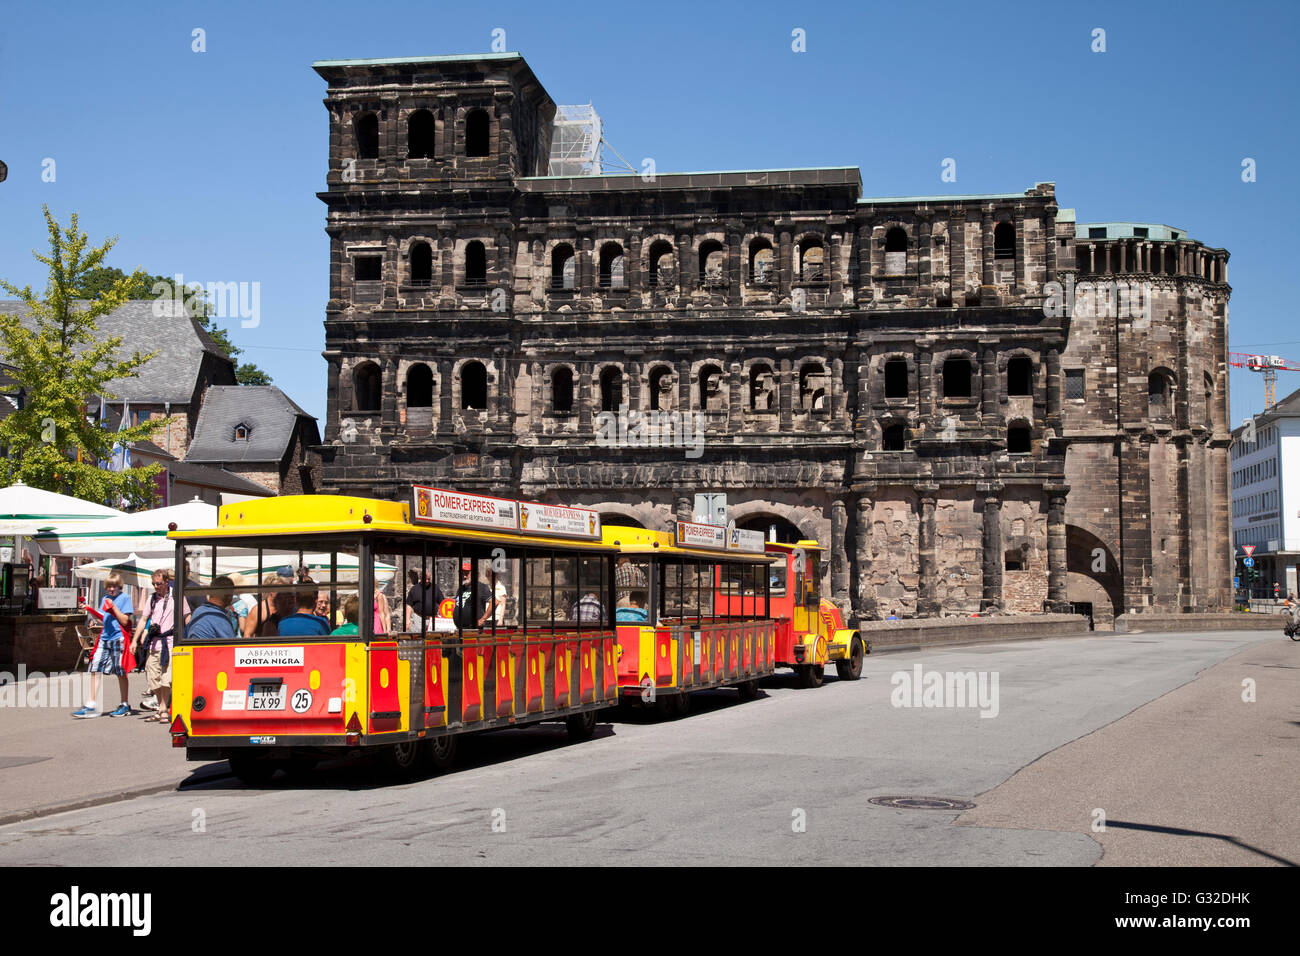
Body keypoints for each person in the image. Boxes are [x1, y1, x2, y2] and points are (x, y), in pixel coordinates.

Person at [131, 569, 190, 724]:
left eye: (159, 583)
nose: (156, 587)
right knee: (153, 678)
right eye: (153, 584)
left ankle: (163, 709)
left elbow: (186, 617)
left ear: (166, 582)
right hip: (154, 643)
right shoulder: (152, 599)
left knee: (167, 679)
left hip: (170, 643)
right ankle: (161, 707)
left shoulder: (177, 597)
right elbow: (143, 620)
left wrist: (189, 637)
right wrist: (134, 640)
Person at [73, 573, 134, 718]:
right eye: (109, 587)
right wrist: (90, 611)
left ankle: (124, 704)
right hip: (104, 637)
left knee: (120, 671)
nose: (111, 589)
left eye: (114, 587)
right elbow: (103, 618)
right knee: (95, 668)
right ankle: (91, 703)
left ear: (120, 586)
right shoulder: (105, 598)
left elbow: (125, 620)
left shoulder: (124, 598)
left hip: (118, 637)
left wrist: (113, 608)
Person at [453, 560, 493, 629]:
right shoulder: (461, 589)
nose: (464, 576)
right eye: (462, 574)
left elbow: (494, 602)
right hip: (460, 628)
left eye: (467, 573)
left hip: (473, 629)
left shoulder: (480, 587)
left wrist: (483, 619)